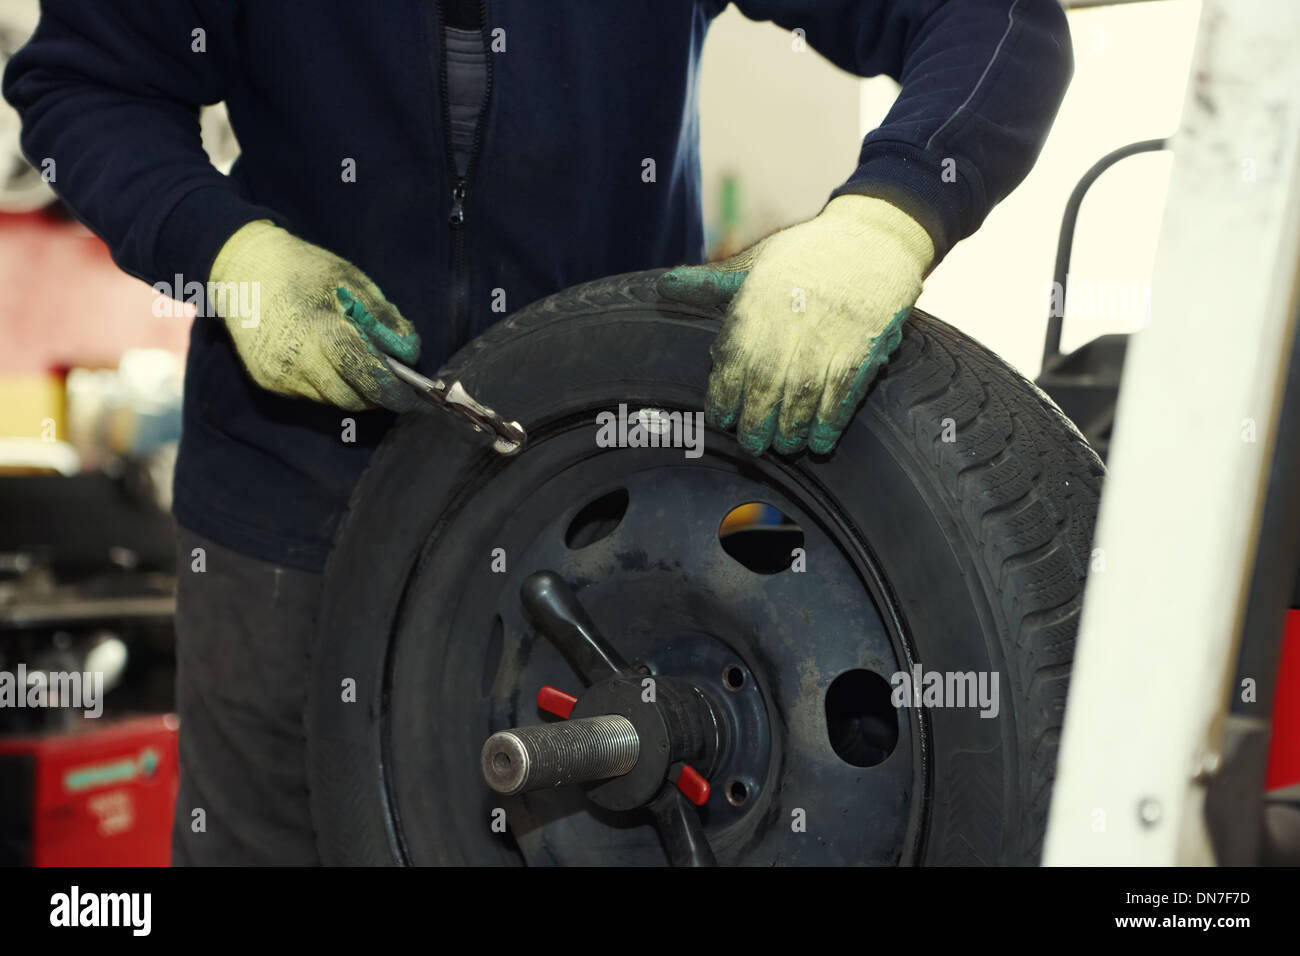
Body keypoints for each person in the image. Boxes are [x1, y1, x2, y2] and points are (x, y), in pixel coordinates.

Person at [4, 0, 1072, 864]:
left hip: (605, 505)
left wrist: (883, 219)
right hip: (288, 505)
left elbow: (997, 23)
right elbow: (81, 85)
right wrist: (228, 254)